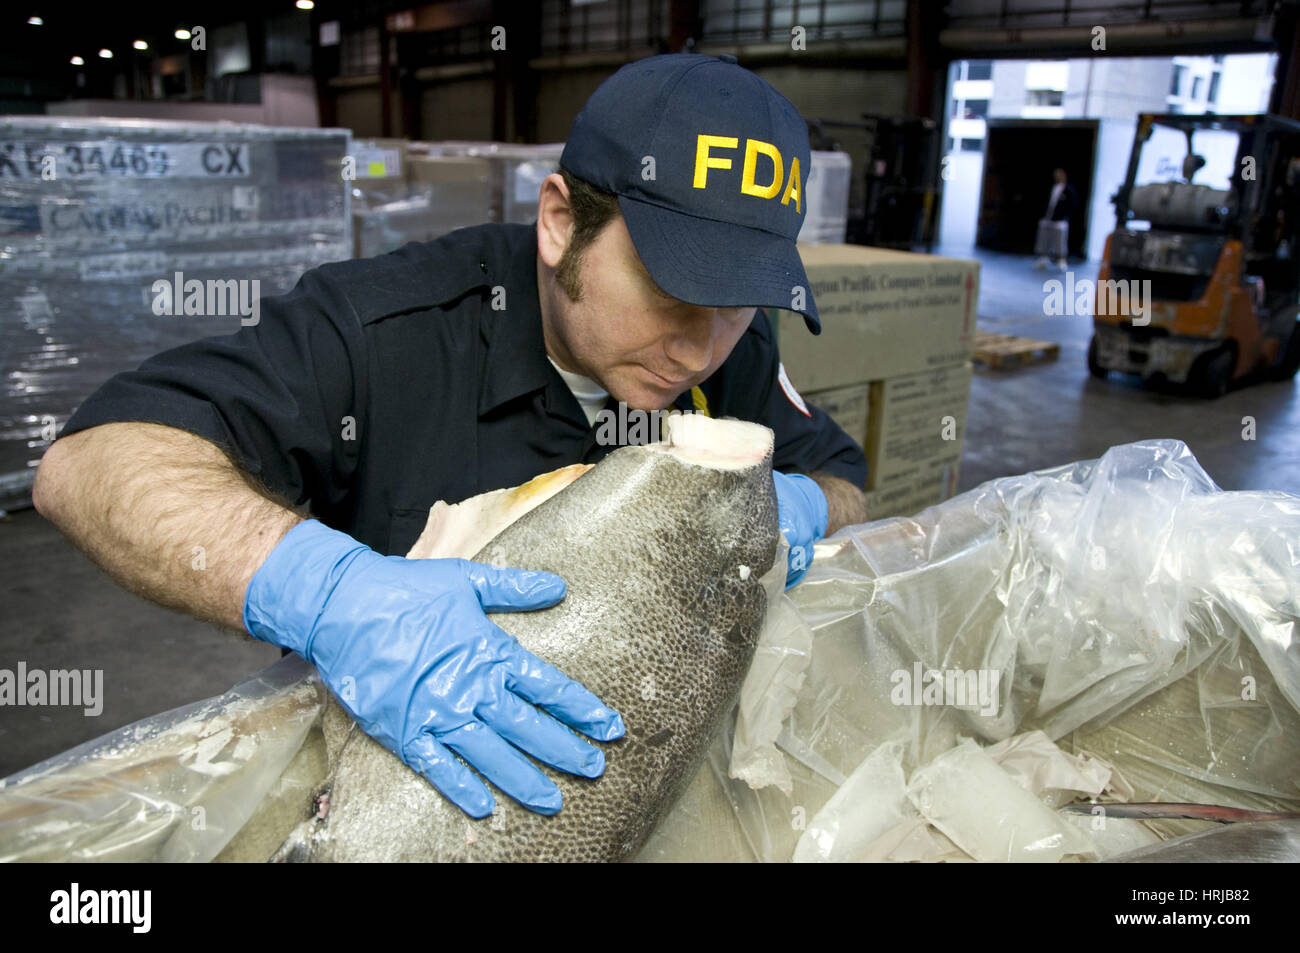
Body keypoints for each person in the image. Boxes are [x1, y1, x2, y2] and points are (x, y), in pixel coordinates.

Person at [32, 53, 867, 822]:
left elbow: (840, 476)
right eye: (672, 291)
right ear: (558, 222)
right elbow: (91, 460)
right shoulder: (383, 331)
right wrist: (328, 593)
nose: (699, 347)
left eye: (738, 301)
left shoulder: (734, 347)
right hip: (392, 794)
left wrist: (797, 505)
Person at [1033, 167, 1076, 271]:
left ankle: (1061, 260)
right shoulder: (1052, 188)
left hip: (1060, 220)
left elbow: (1071, 205)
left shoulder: (1068, 190)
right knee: (1044, 238)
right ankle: (1044, 258)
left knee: (1059, 241)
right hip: (1048, 218)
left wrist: (1065, 217)